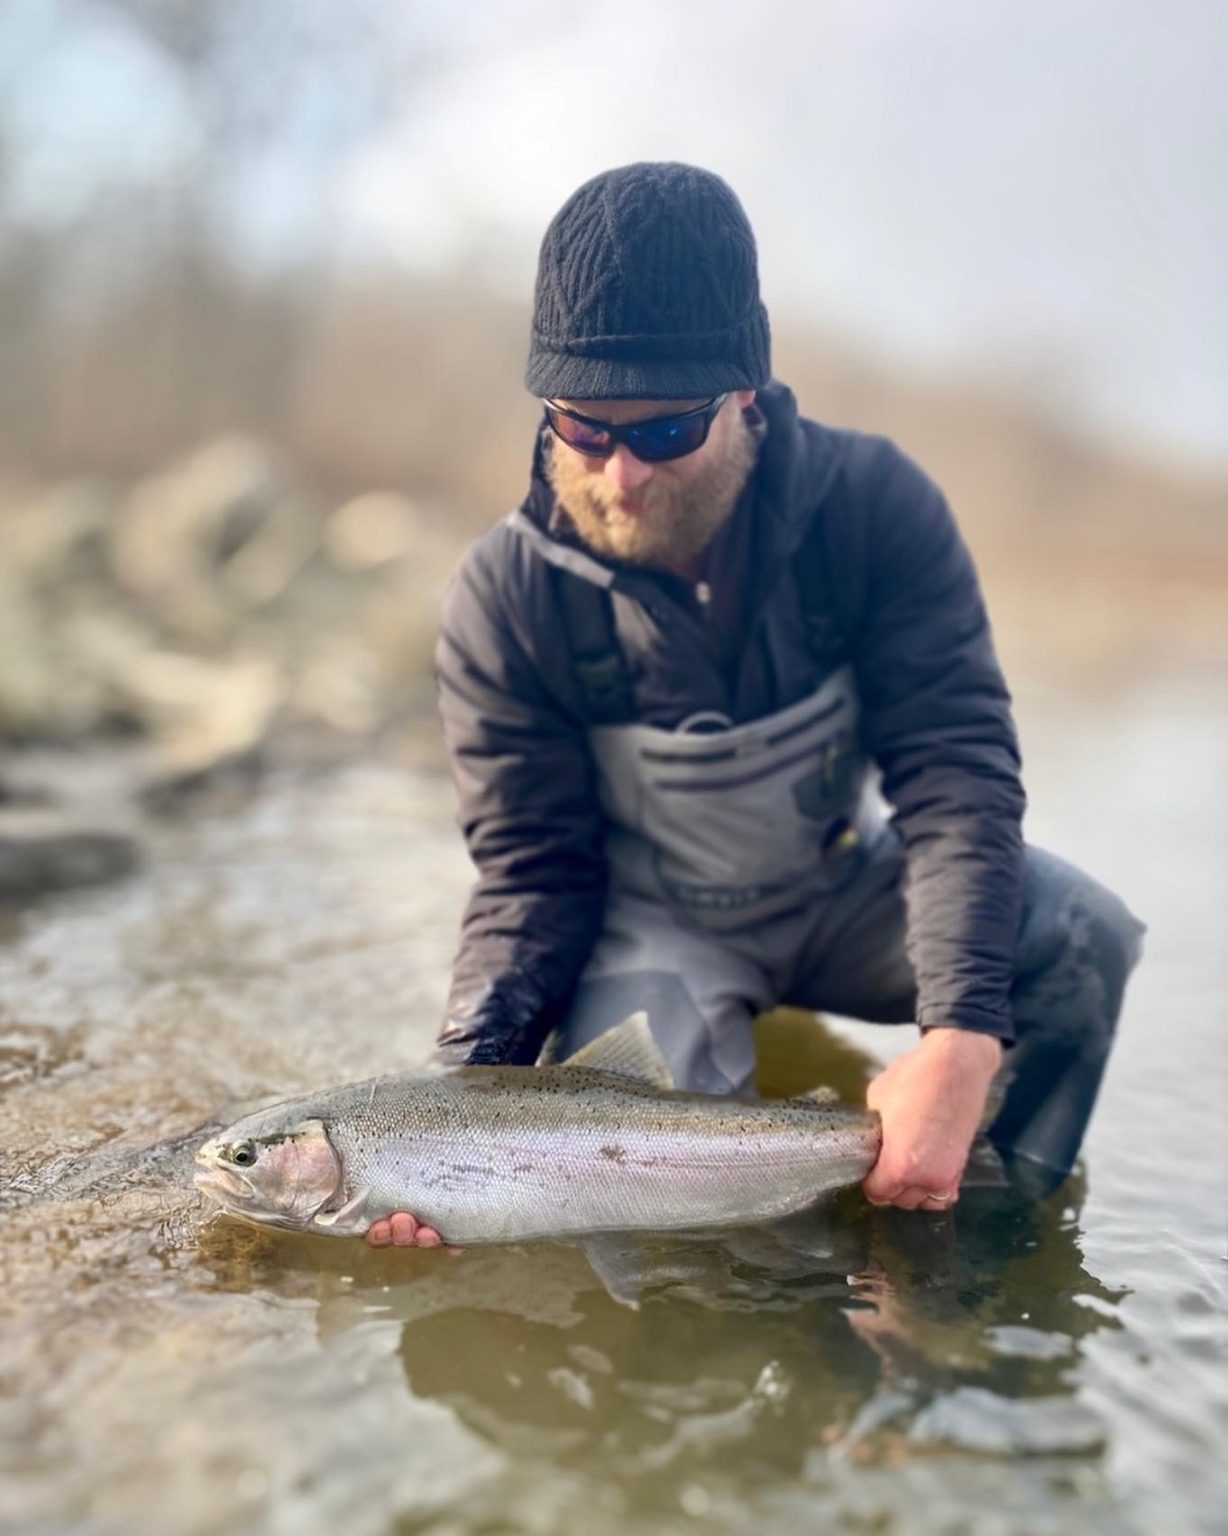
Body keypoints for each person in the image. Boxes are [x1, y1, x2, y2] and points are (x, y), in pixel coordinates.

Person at [365, 161, 1143, 1251]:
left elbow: (955, 780)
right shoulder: (505, 596)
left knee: (1082, 941)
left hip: (838, 886)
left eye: (667, 433)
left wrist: (960, 1035)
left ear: (745, 393)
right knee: (644, 1229)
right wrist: (458, 1104)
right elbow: (533, 873)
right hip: (658, 926)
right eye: (584, 429)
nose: (622, 475)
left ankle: (964, 1256)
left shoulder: (874, 509)